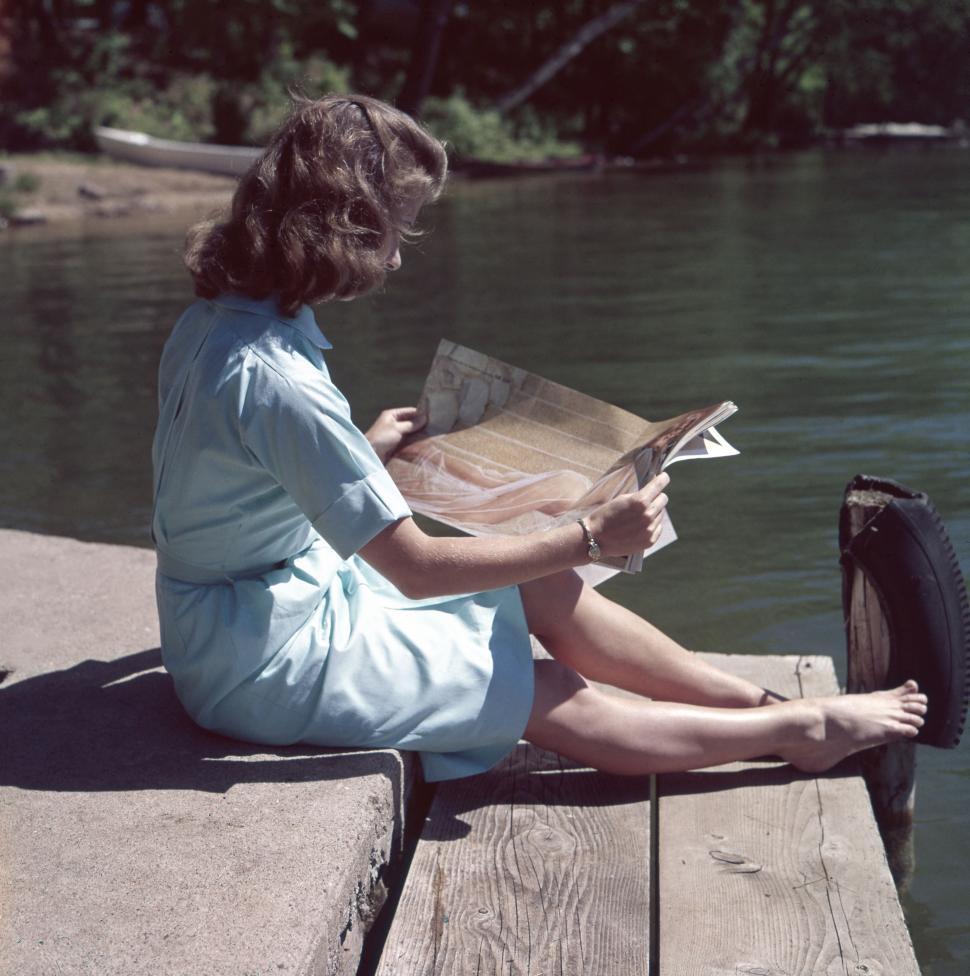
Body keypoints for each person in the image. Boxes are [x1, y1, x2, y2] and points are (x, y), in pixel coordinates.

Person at [153, 94, 927, 784]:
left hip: (256, 605)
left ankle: (756, 702)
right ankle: (803, 731)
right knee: (542, 685)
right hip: (259, 658)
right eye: (393, 230)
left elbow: (230, 479)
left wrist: (363, 449)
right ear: (340, 225)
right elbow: (416, 570)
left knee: (544, 589)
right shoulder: (281, 381)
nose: (394, 256)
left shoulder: (218, 324)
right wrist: (589, 535)